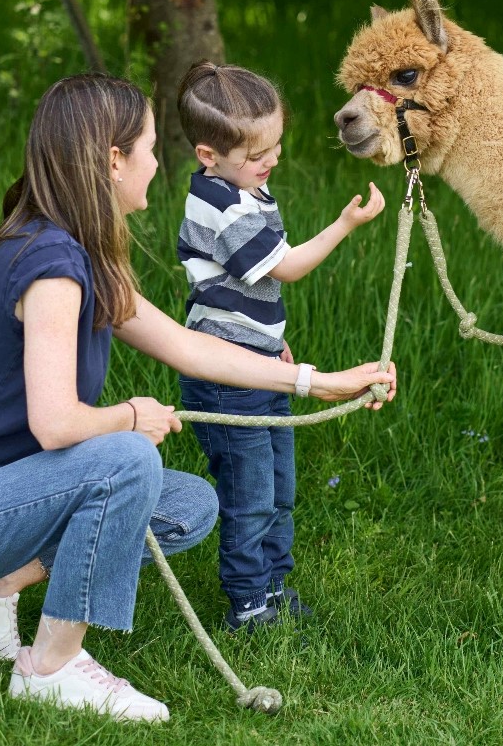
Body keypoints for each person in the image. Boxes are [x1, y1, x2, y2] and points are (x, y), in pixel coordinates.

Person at [0, 74, 395, 723]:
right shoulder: (50, 266)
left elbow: (191, 348)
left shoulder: (79, 254)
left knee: (188, 504)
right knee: (126, 458)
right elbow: (55, 426)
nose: (160, 165)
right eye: (152, 149)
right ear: (112, 161)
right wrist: (132, 417)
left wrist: (320, 381)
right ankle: (51, 667)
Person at [176, 62, 385, 632]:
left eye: (276, 147)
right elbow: (286, 267)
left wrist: (274, 339)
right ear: (208, 156)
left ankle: (272, 586)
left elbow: (245, 287)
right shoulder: (223, 206)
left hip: (257, 363)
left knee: (278, 487)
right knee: (250, 496)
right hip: (226, 380)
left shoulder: (244, 185)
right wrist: (345, 223)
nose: (271, 162)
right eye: (256, 155)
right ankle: (247, 604)